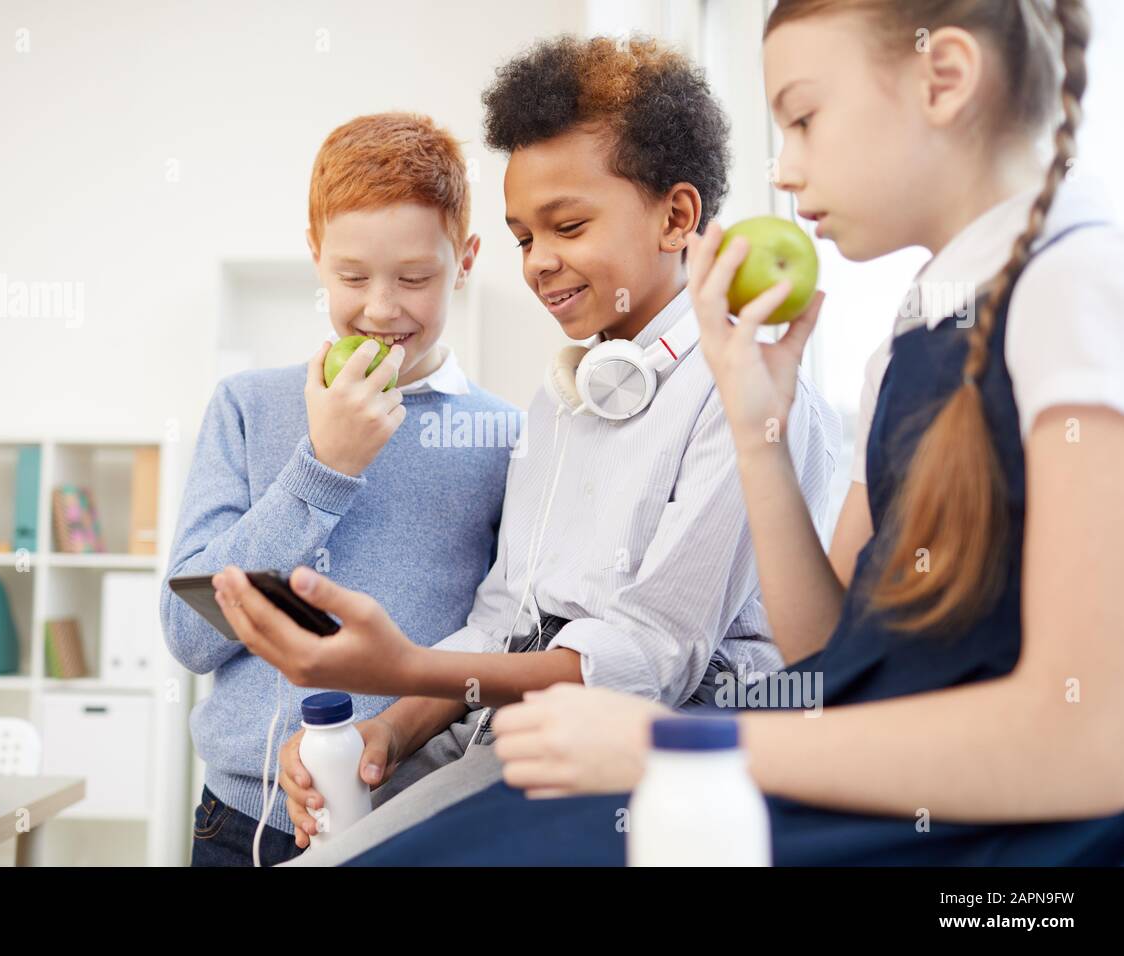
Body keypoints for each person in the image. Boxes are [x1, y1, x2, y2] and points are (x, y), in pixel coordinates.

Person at [330, 0, 1124, 866]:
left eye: (806, 118)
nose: (785, 172)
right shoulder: (912, 333)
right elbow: (830, 657)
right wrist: (758, 430)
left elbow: (1092, 740)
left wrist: (665, 746)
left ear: (946, 78)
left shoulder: (1076, 280)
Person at [210, 34, 839, 865]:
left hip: (652, 791)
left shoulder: (750, 397)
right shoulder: (566, 396)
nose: (539, 263)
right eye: (521, 237)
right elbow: (504, 622)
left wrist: (405, 667)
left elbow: (648, 655)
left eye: (567, 226)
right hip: (516, 759)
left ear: (676, 216)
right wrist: (389, 730)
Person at [160, 112, 520, 866]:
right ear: (316, 256)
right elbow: (189, 636)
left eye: (415, 278)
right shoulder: (247, 407)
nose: (382, 307)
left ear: (466, 261)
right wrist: (326, 465)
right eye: (352, 277)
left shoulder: (506, 436)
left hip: (420, 820)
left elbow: (501, 646)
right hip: (241, 824)